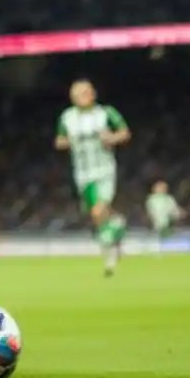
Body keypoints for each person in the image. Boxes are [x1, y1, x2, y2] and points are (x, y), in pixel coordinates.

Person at [55, 79, 131, 276]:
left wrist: (112, 138)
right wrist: (68, 142)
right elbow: (59, 141)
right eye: (79, 93)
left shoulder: (105, 113)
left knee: (99, 210)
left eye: (87, 92)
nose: (84, 96)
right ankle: (116, 229)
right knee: (98, 216)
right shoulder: (68, 117)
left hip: (104, 169)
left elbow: (124, 132)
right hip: (82, 173)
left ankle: (109, 253)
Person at [145, 180, 183, 253]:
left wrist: (179, 213)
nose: (162, 189)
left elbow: (174, 210)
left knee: (168, 239)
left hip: (169, 224)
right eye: (160, 188)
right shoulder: (151, 199)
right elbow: (150, 211)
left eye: (164, 188)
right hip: (156, 224)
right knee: (157, 239)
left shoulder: (169, 198)